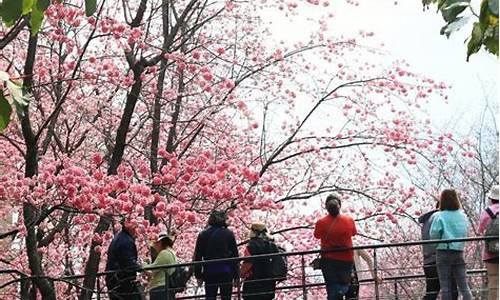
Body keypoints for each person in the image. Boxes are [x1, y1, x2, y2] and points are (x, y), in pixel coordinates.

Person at [429, 189, 473, 300]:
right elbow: (465, 231)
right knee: (463, 285)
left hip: (443, 251)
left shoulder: (439, 216)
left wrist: (438, 243)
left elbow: (434, 234)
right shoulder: (462, 216)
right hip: (459, 251)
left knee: (446, 286)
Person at [314, 194, 357, 300]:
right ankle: (341, 291)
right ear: (340, 206)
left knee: (331, 285)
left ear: (326, 207)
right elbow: (353, 233)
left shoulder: (321, 222)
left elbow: (316, 235)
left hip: (328, 259)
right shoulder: (349, 220)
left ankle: (336, 294)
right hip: (346, 258)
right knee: (345, 282)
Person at [193, 210, 239, 300]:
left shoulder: (203, 234)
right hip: (226, 271)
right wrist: (236, 275)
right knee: (226, 297)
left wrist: (198, 275)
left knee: (210, 297)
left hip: (210, 271)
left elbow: (198, 256)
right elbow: (235, 256)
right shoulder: (229, 234)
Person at [418, 201, 458, 300]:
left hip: (429, 261)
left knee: (431, 293)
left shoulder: (427, 220)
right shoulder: (442, 217)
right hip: (442, 260)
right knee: (452, 293)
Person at [105, 218, 143, 300]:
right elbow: (128, 261)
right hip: (121, 280)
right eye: (134, 227)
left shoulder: (120, 237)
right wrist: (143, 269)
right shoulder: (125, 240)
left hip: (114, 280)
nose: (136, 230)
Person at [241, 222, 278, 300]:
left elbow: (248, 263)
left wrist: (240, 273)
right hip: (269, 281)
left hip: (253, 281)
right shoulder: (272, 245)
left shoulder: (251, 245)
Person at [478, 184, 499, 300]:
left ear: (491, 198)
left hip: (491, 251)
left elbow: (480, 230)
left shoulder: (487, 212)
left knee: (494, 283)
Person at [144, 232, 177, 300]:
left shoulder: (164, 253)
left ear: (160, 243)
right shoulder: (171, 252)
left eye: (156, 244)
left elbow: (152, 270)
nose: (155, 247)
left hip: (160, 287)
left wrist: (143, 264)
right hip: (166, 286)